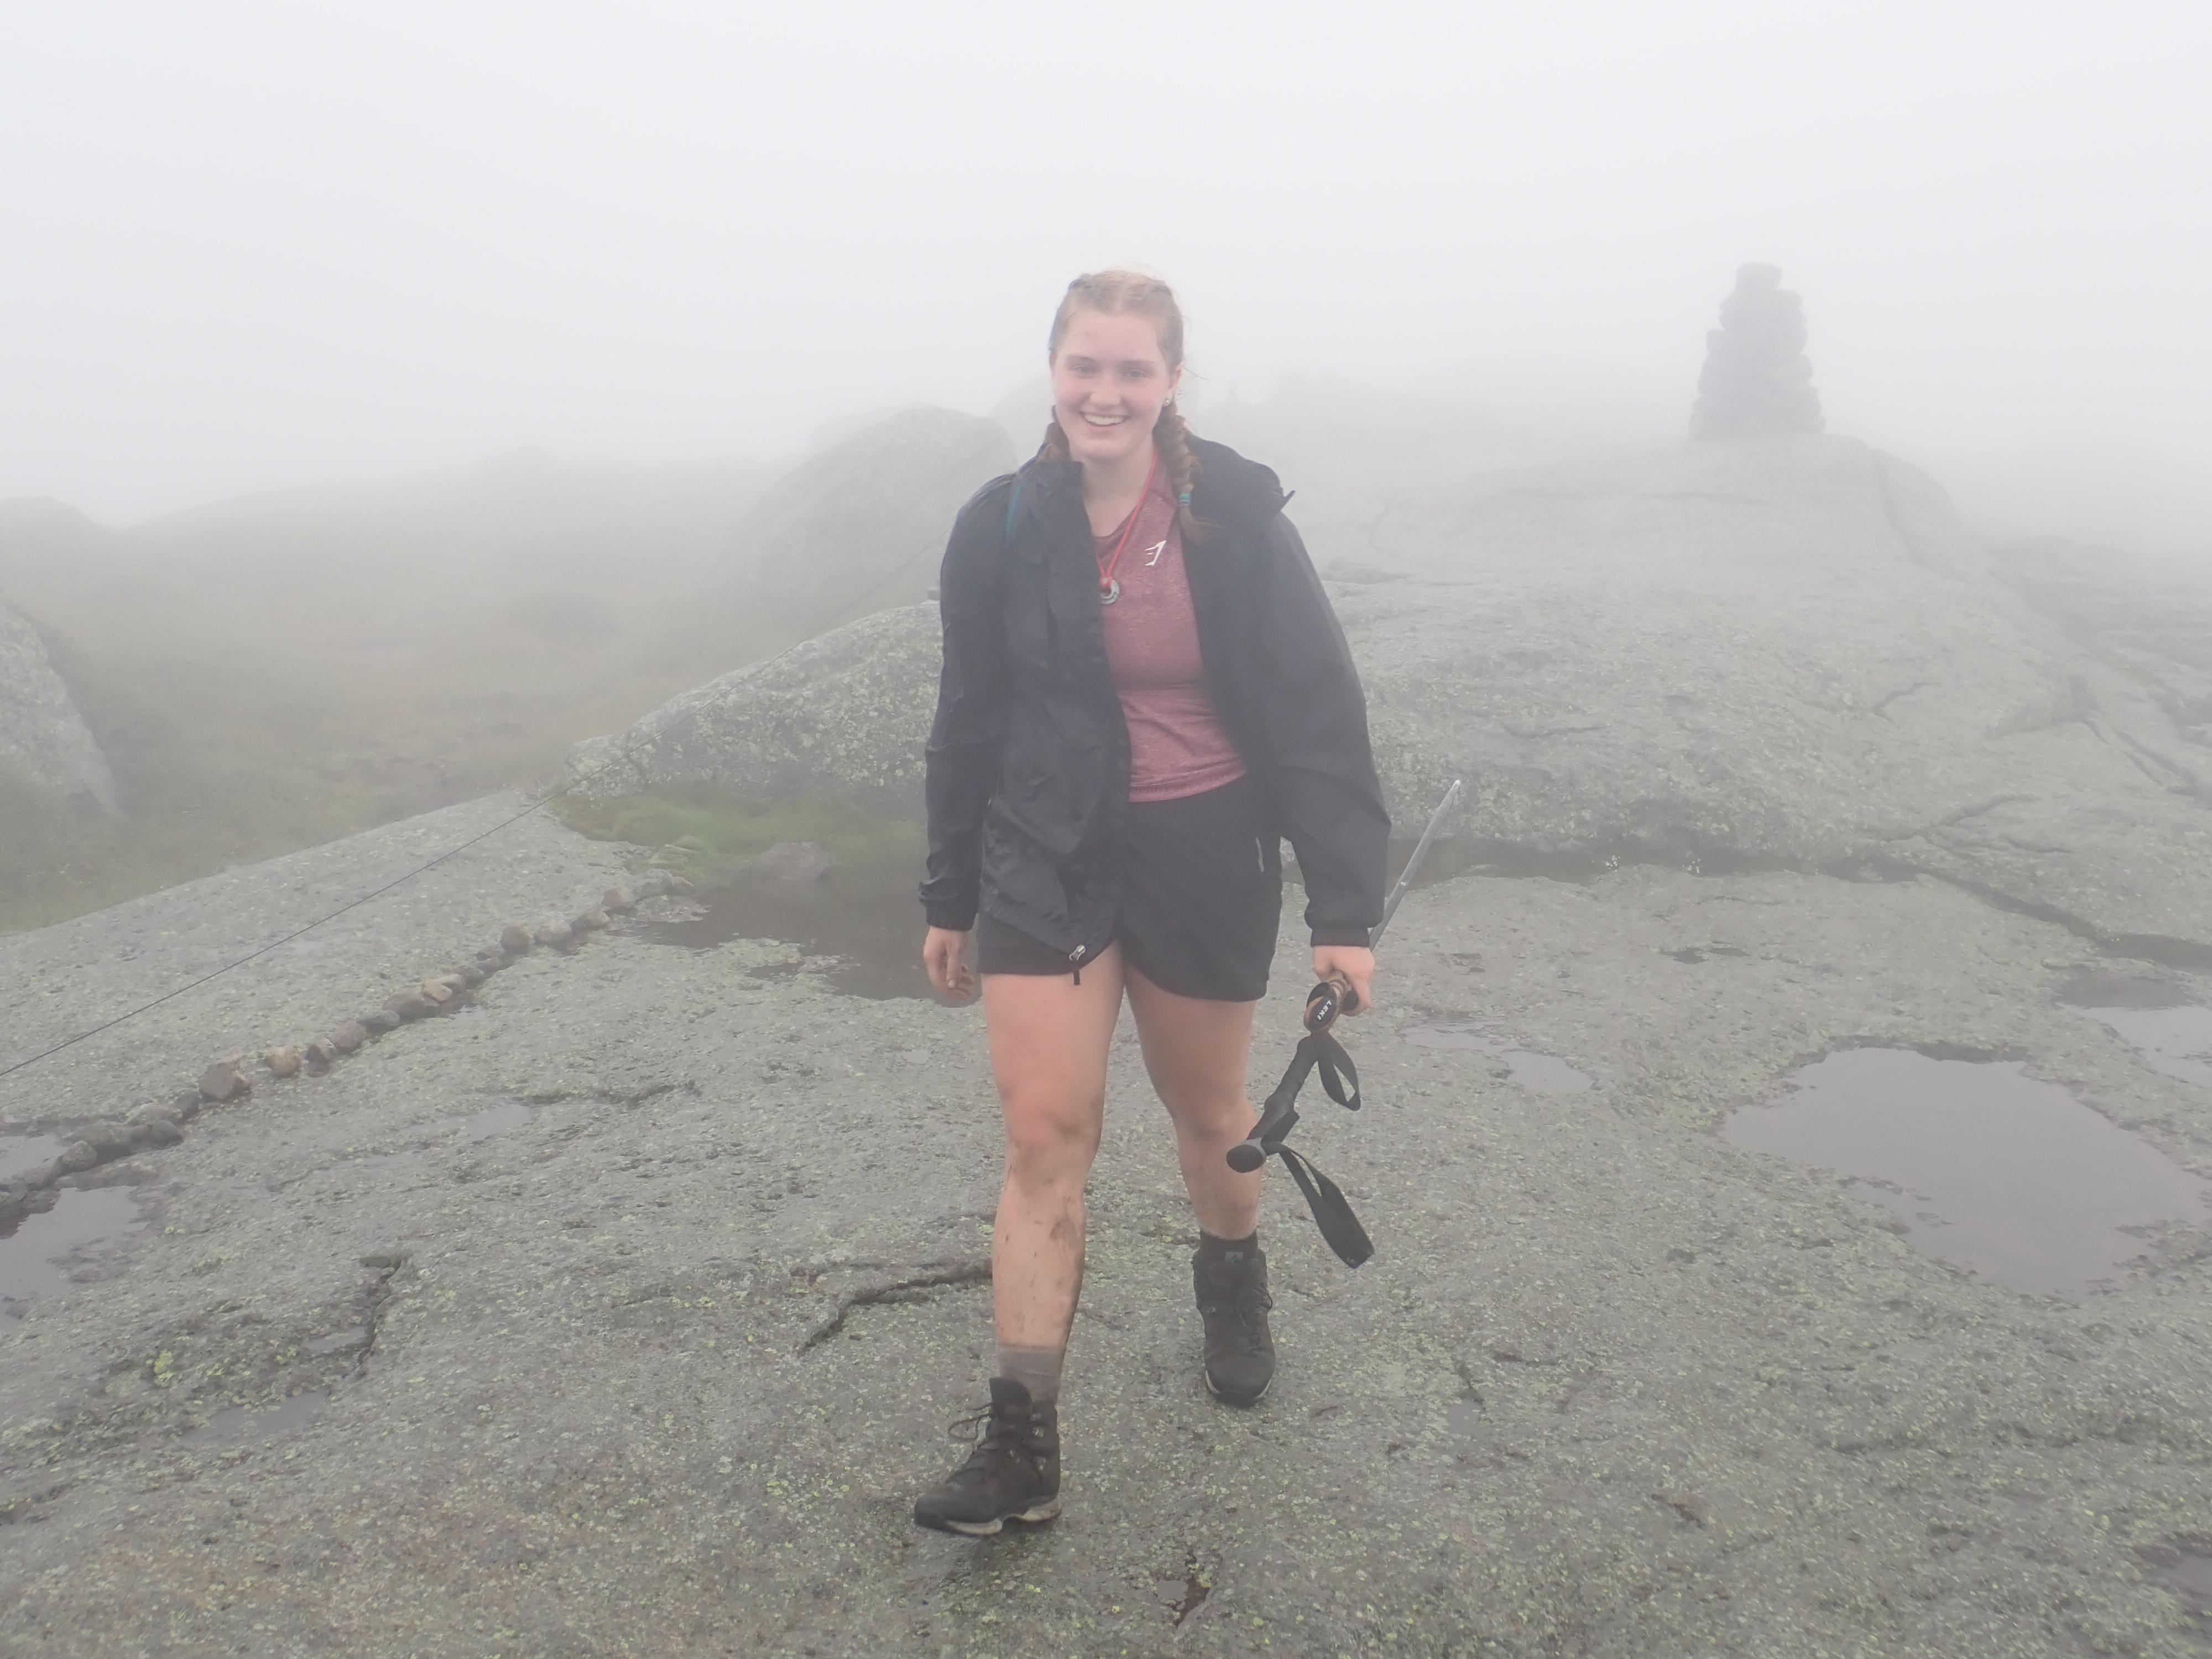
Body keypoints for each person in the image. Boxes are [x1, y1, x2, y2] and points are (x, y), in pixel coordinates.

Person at [912, 270, 1390, 1537]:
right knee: (1043, 1135)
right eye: (1085, 367)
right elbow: (966, 715)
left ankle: (1230, 1273)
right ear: (1052, 373)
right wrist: (948, 890)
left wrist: (1346, 913)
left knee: (1208, 1117)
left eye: (1132, 370)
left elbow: (1314, 710)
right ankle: (1021, 1449)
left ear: (1170, 383)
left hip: (1201, 837)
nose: (1104, 392)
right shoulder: (999, 526)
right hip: (1044, 847)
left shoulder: (1231, 521)